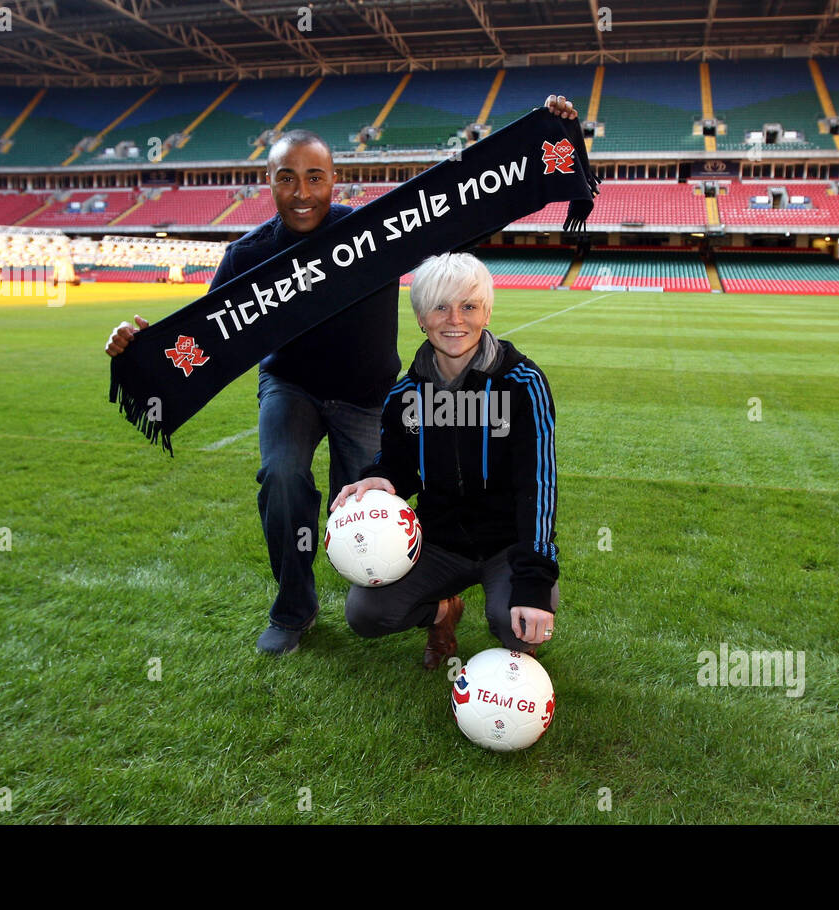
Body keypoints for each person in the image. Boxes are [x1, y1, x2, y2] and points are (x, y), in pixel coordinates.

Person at [106, 96, 578, 657]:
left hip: (369, 395)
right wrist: (140, 350)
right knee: (282, 479)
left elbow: (466, 196)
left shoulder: (374, 235)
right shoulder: (245, 255)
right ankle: (293, 610)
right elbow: (209, 341)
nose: (301, 192)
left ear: (336, 181)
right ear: (268, 182)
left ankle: (441, 600)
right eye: (286, 178)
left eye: (314, 177)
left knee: (376, 510)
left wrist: (551, 132)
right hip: (291, 388)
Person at [331, 252, 558, 669]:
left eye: (468, 306)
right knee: (365, 614)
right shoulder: (403, 396)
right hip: (439, 542)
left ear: (486, 312)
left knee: (516, 629)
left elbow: (538, 485)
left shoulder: (523, 383)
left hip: (506, 544)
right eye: (440, 306)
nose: (455, 319)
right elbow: (396, 464)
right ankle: (442, 613)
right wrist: (379, 478)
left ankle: (509, 602)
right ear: (420, 316)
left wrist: (534, 582)